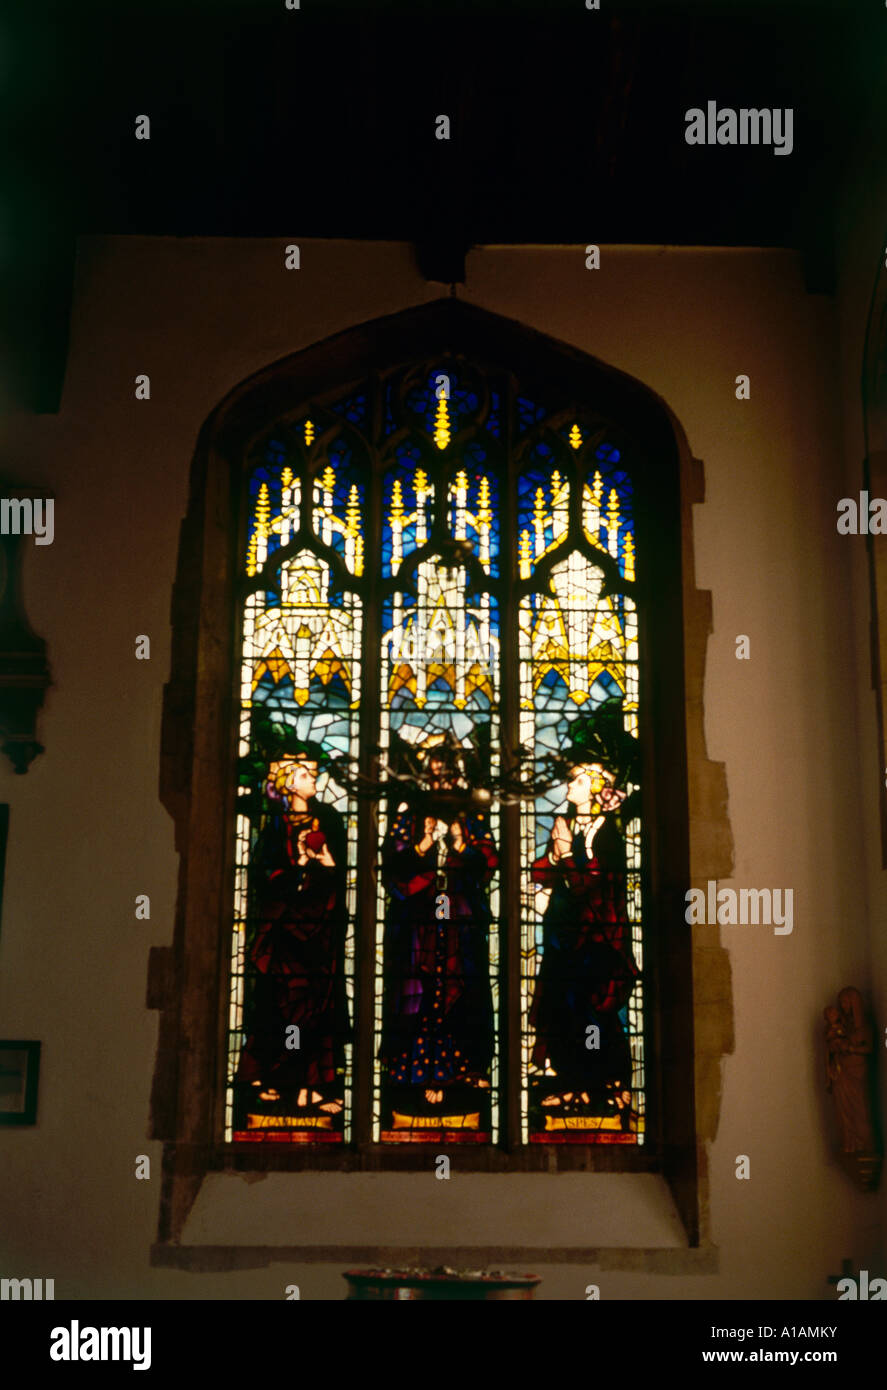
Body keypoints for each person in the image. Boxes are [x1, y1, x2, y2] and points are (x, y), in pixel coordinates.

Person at [379, 741, 497, 1115]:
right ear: (426, 774)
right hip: (420, 918)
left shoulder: (472, 812)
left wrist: (462, 844)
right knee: (420, 987)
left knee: (462, 988)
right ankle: (416, 1072)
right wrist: (424, 843)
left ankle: (464, 1069)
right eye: (436, 772)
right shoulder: (410, 811)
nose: (442, 779)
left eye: (449, 772)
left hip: (458, 916)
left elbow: (489, 860)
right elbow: (392, 865)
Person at [236, 740, 350, 1117]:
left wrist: (324, 859)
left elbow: (339, 876)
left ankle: (314, 1085)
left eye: (312, 772)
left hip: (320, 930)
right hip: (285, 932)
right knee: (285, 1008)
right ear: (286, 783)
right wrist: (299, 862)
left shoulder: (331, 820)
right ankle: (283, 1078)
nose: (312, 776)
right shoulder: (275, 827)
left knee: (317, 1009)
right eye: (303, 773)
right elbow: (265, 876)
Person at [529, 759, 638, 1121]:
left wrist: (566, 854)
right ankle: (570, 1080)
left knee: (597, 1010)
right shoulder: (566, 824)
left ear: (592, 788)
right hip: (563, 932)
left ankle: (607, 1082)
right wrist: (553, 855)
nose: (568, 788)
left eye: (575, 782)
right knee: (564, 1007)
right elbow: (540, 871)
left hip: (598, 935)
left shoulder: (607, 831)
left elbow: (593, 883)